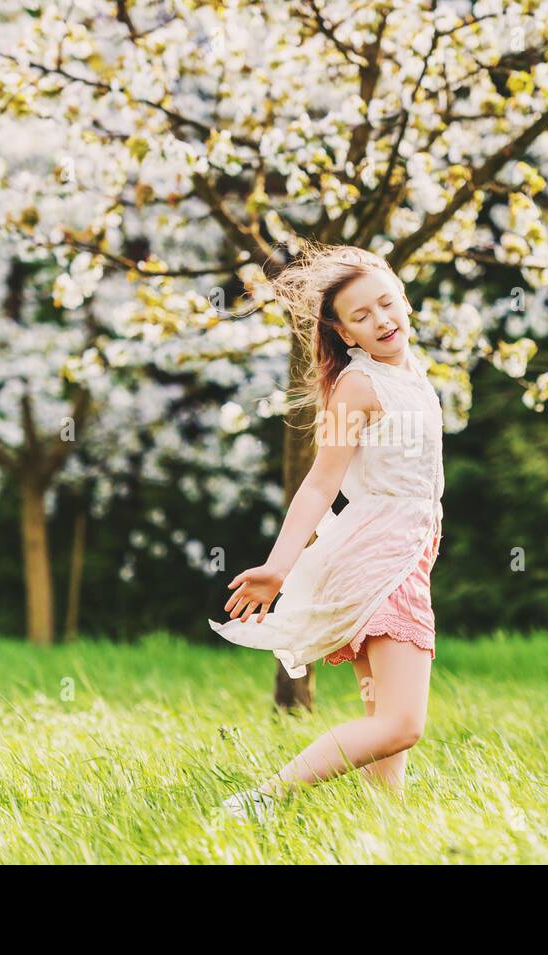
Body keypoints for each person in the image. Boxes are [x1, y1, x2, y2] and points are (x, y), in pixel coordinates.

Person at [208, 240, 445, 822]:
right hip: (381, 558)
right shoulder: (359, 387)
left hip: (406, 552)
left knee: (382, 722)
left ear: (404, 298)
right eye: (361, 316)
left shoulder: (412, 373)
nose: (381, 320)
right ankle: (261, 800)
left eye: (385, 303)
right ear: (344, 333)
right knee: (402, 724)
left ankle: (383, 833)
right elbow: (320, 483)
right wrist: (279, 566)